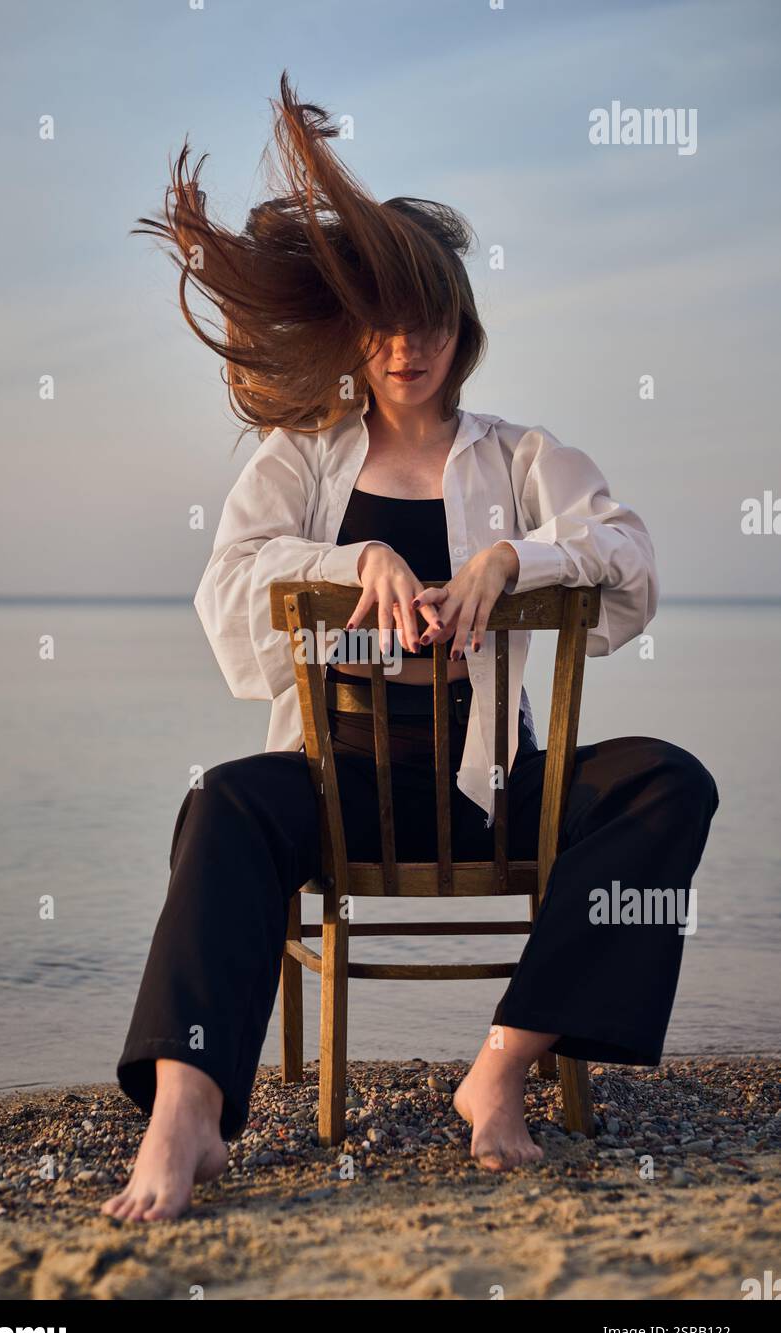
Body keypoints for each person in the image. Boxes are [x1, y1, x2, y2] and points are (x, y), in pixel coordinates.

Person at [102, 72, 718, 1223]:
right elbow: (226, 581)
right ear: (354, 333)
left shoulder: (521, 455)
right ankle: (185, 1112)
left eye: (429, 319)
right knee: (222, 803)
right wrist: (354, 565)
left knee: (667, 782)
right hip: (337, 785)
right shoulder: (303, 459)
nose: (406, 344)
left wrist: (509, 562)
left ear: (461, 328)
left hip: (490, 782)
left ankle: (500, 1068)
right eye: (383, 323)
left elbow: (625, 552)